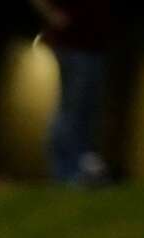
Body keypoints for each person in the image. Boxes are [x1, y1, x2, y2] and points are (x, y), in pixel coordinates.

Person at [29, 0, 112, 186]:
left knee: (86, 109)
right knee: (73, 108)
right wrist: (52, 14)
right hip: (73, 44)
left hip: (94, 43)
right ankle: (67, 170)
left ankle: (84, 167)